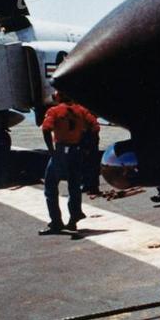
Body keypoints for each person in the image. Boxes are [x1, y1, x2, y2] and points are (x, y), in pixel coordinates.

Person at [39, 92, 100, 234]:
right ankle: (73, 219)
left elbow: (46, 129)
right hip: (76, 151)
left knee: (50, 187)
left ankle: (56, 222)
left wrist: (51, 151)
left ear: (58, 97)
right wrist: (87, 148)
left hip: (60, 152)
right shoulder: (82, 110)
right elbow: (95, 127)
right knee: (74, 187)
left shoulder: (54, 111)